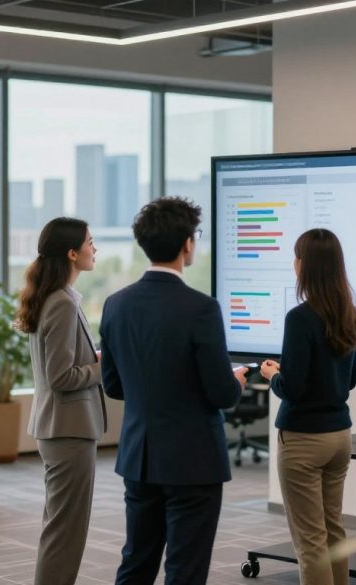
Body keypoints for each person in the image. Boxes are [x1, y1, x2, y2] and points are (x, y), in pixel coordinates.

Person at [100, 196, 247, 585]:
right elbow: (221, 393)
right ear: (187, 243)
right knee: (185, 570)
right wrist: (236, 381)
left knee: (136, 563)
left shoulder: (115, 305)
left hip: (140, 457)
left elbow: (113, 385)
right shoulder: (201, 308)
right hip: (193, 462)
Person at [260, 228, 356, 585]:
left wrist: (273, 374)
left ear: (305, 265)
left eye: (296, 256)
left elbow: (293, 388)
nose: (294, 263)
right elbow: (349, 380)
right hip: (339, 437)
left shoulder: (300, 318)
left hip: (303, 439)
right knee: (333, 532)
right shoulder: (350, 314)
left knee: (310, 542)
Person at [16, 217, 107, 585]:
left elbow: (60, 366)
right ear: (72, 253)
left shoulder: (55, 297)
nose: (94, 248)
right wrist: (104, 367)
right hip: (68, 430)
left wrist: (92, 359)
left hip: (60, 428)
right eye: (90, 242)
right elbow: (61, 377)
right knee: (66, 533)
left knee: (60, 527)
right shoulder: (62, 303)